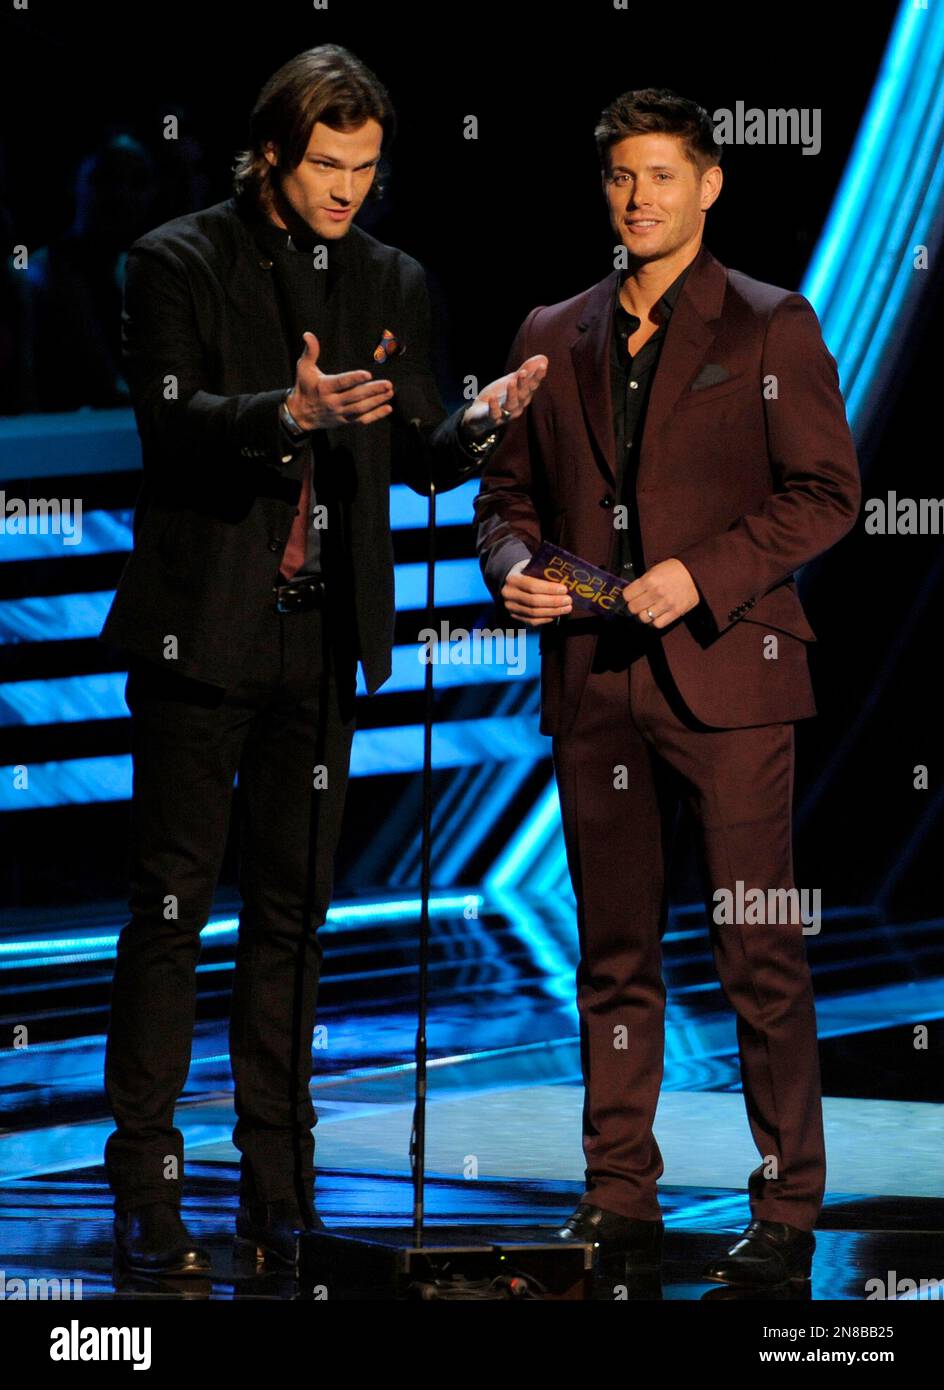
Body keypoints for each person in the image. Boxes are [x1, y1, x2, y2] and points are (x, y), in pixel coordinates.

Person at [99, 43, 546, 1277]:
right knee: (174, 909)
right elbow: (170, 423)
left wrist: (480, 421)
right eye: (326, 165)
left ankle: (279, 1189)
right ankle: (146, 1181)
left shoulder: (392, 278)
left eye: (365, 166)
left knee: (293, 922)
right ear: (273, 157)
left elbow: (414, 453)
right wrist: (285, 414)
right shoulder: (175, 260)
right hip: (202, 636)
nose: (348, 188)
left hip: (319, 644)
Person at [474, 87, 860, 1288]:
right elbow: (506, 502)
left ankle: (787, 1199)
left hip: (732, 680)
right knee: (612, 953)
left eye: (659, 175)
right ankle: (617, 1194)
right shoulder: (550, 329)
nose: (636, 199)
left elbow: (824, 492)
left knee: (755, 946)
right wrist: (514, 571)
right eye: (617, 177)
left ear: (708, 184)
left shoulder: (768, 323)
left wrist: (699, 573)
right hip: (594, 683)